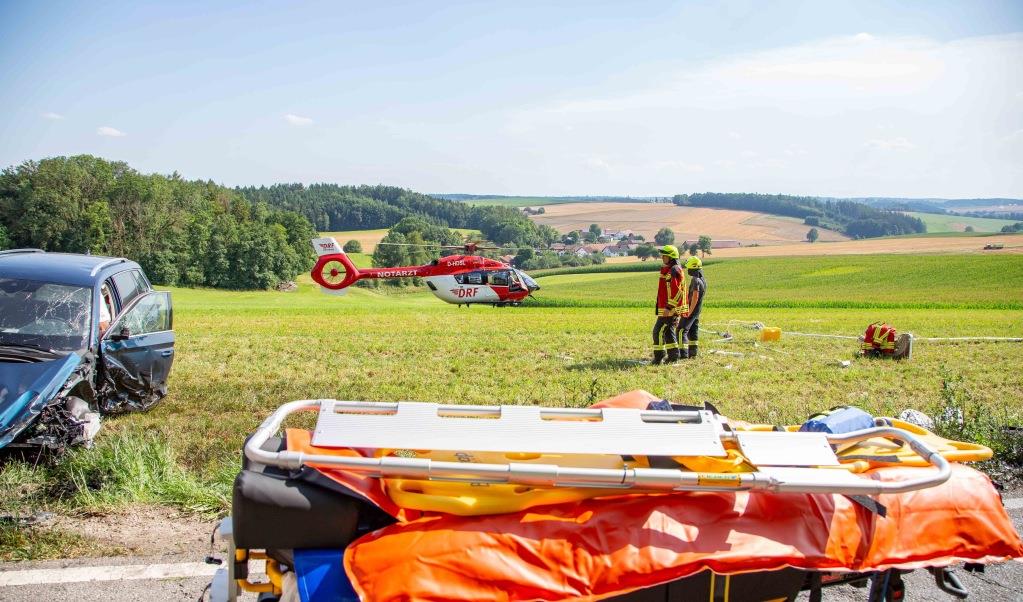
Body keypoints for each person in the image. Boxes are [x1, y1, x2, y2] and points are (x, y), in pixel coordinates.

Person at [651, 245, 687, 364]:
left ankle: (659, 357)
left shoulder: (674, 270)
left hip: (670, 309)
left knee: (658, 331)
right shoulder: (671, 269)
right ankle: (673, 357)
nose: (662, 257)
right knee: (668, 332)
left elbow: (678, 292)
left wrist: (669, 307)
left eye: (664, 255)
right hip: (669, 309)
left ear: (671, 257)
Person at [674, 256, 706, 359]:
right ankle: (693, 353)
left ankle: (682, 354)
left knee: (681, 330)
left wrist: (688, 311)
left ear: (693, 268)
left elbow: (695, 296)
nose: (688, 270)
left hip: (692, 309)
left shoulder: (695, 280)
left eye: (689, 268)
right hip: (697, 311)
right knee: (693, 330)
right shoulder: (703, 280)